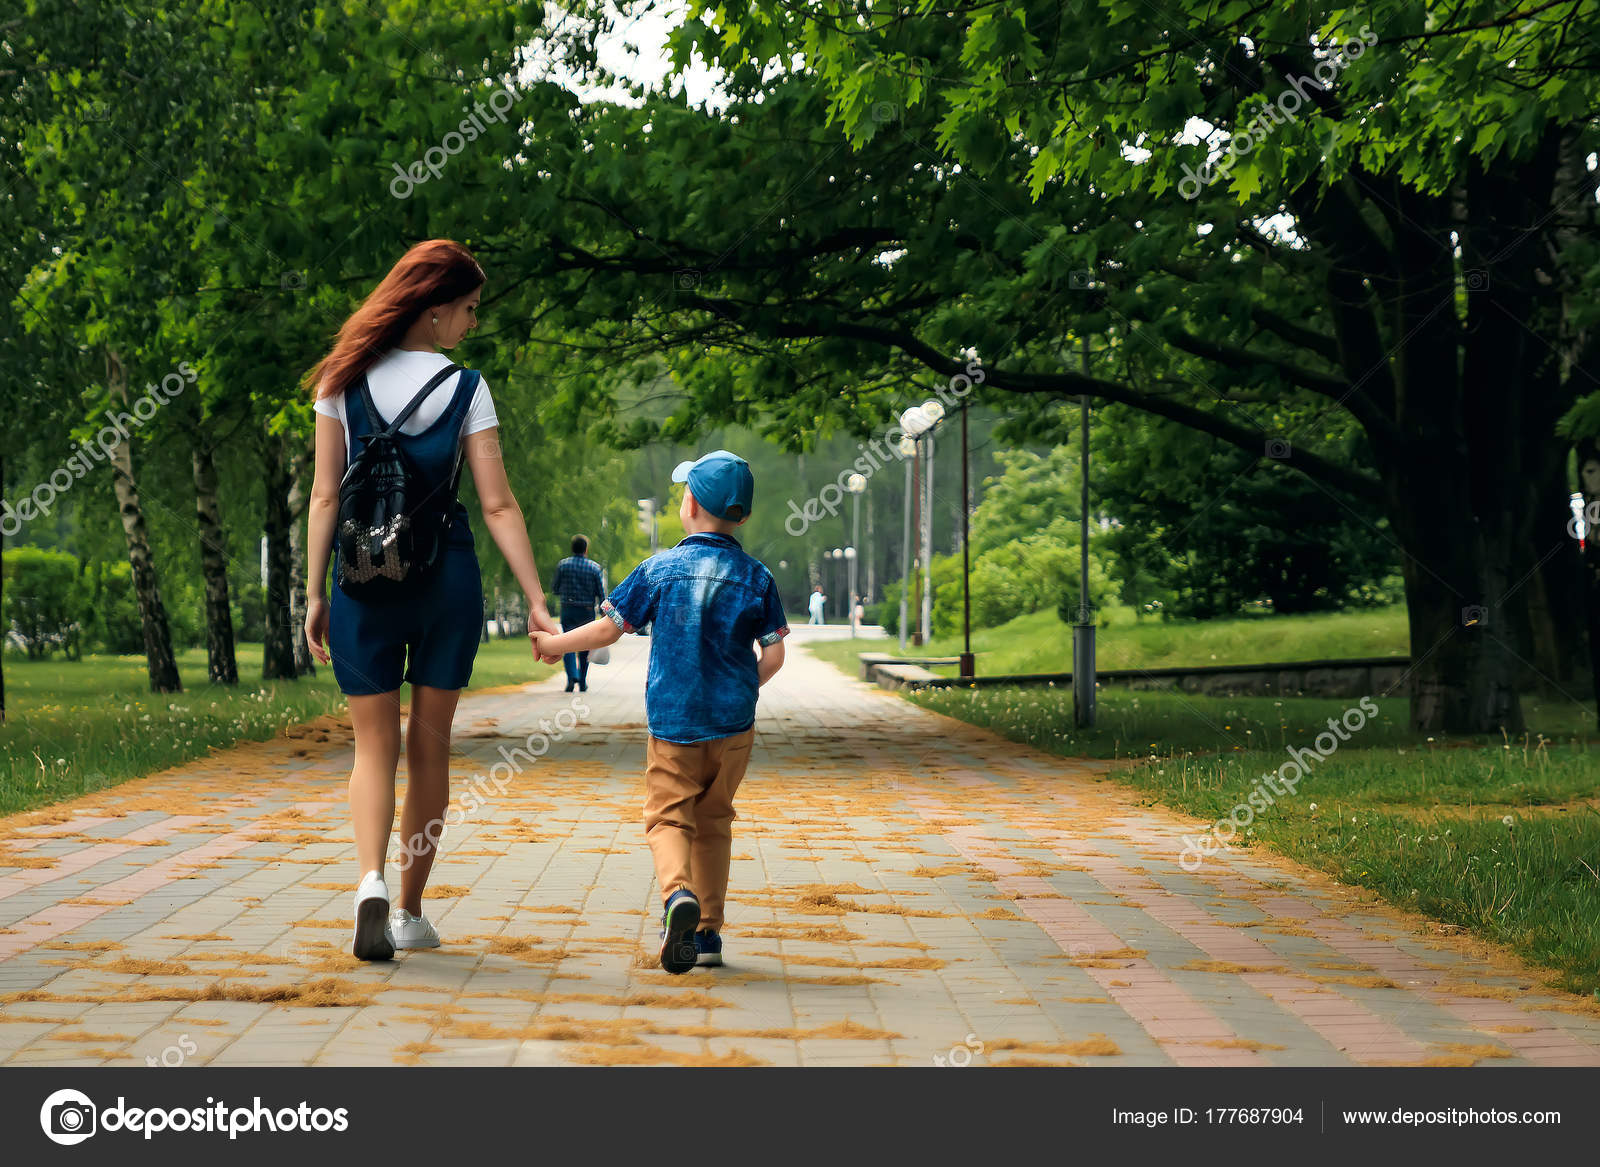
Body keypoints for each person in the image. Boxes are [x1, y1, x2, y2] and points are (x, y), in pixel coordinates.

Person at [302, 239, 560, 962]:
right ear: (436, 306)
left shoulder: (341, 379)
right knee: (431, 745)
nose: (472, 325)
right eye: (470, 309)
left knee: (374, 747)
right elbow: (499, 504)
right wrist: (537, 600)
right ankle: (410, 911)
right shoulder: (467, 388)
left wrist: (312, 591)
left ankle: (369, 883)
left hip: (362, 580)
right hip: (445, 576)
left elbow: (326, 494)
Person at [530, 451, 787, 974]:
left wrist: (558, 644)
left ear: (688, 503)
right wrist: (744, 689)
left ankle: (676, 898)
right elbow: (775, 652)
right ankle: (709, 933)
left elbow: (608, 629)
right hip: (734, 726)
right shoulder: (757, 577)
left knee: (669, 815)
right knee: (715, 819)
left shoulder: (659, 569)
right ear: (742, 516)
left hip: (674, 724)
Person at [550, 534, 607, 692]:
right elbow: (601, 593)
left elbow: (554, 588)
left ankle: (571, 678)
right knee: (585, 644)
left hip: (568, 608)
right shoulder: (594, 568)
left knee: (567, 643)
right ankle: (582, 681)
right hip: (587, 611)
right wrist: (604, 612)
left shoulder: (563, 565)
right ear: (586, 549)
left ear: (572, 548)